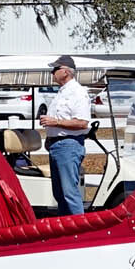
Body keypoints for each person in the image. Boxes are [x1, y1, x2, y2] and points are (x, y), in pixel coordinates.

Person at [39, 55, 91, 215]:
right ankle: (67, 224)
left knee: (69, 192)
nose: (52, 73)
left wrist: (55, 122)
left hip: (68, 145)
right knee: (60, 193)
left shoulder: (77, 92)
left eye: (55, 69)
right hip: (58, 146)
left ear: (66, 72)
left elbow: (82, 122)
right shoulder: (62, 92)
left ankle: (79, 226)